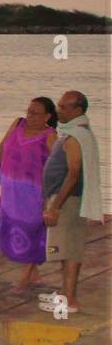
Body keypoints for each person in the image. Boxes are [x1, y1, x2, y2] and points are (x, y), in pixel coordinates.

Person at [40, 91, 105, 314]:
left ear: (77, 110)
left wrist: (55, 205)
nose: (59, 110)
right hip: (67, 200)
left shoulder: (76, 137)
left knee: (68, 251)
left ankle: (69, 300)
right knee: (70, 250)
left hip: (67, 202)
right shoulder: (72, 133)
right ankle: (66, 295)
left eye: (64, 107)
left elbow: (74, 173)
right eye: (59, 105)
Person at [0, 97, 57, 283]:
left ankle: (26, 275)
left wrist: (51, 195)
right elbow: (2, 147)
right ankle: (33, 273)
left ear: (47, 116)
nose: (31, 116)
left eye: (36, 113)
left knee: (33, 229)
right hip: (10, 189)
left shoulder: (50, 135)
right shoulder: (18, 124)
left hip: (33, 192)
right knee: (8, 226)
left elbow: (57, 165)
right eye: (29, 112)